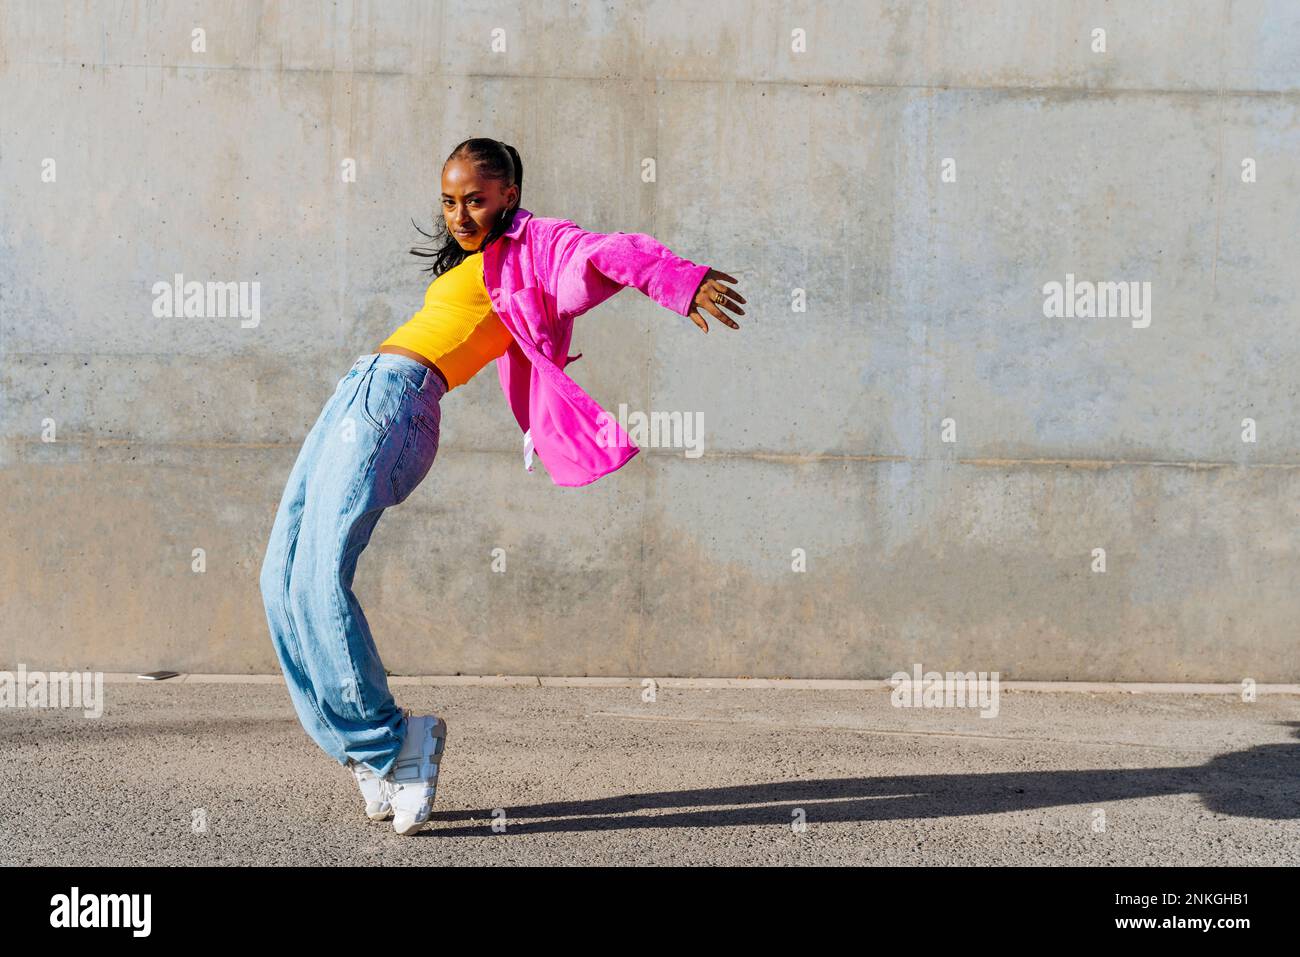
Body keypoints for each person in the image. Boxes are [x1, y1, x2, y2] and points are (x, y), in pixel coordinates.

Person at [258, 138, 745, 835]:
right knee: (279, 578)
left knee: (318, 579)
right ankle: (366, 754)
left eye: (475, 199)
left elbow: (604, 253)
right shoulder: (472, 258)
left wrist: (680, 279)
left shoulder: (535, 244)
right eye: (450, 200)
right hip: (354, 392)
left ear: (509, 195)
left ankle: (395, 741)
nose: (459, 213)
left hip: (394, 401)